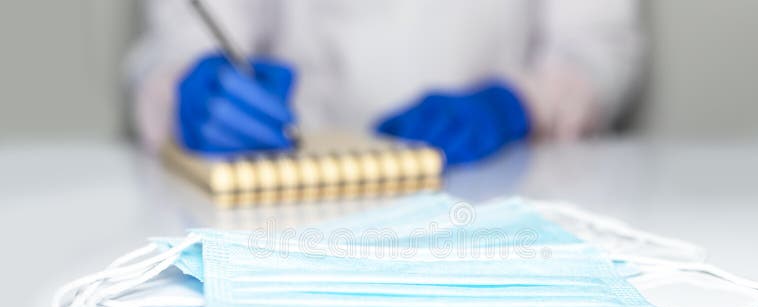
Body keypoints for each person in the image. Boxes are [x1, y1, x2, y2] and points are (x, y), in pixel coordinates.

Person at [127, 0, 643, 164]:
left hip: (502, 185)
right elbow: (184, 36)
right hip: (294, 193)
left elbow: (598, 43)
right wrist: (189, 88)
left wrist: (519, 103)